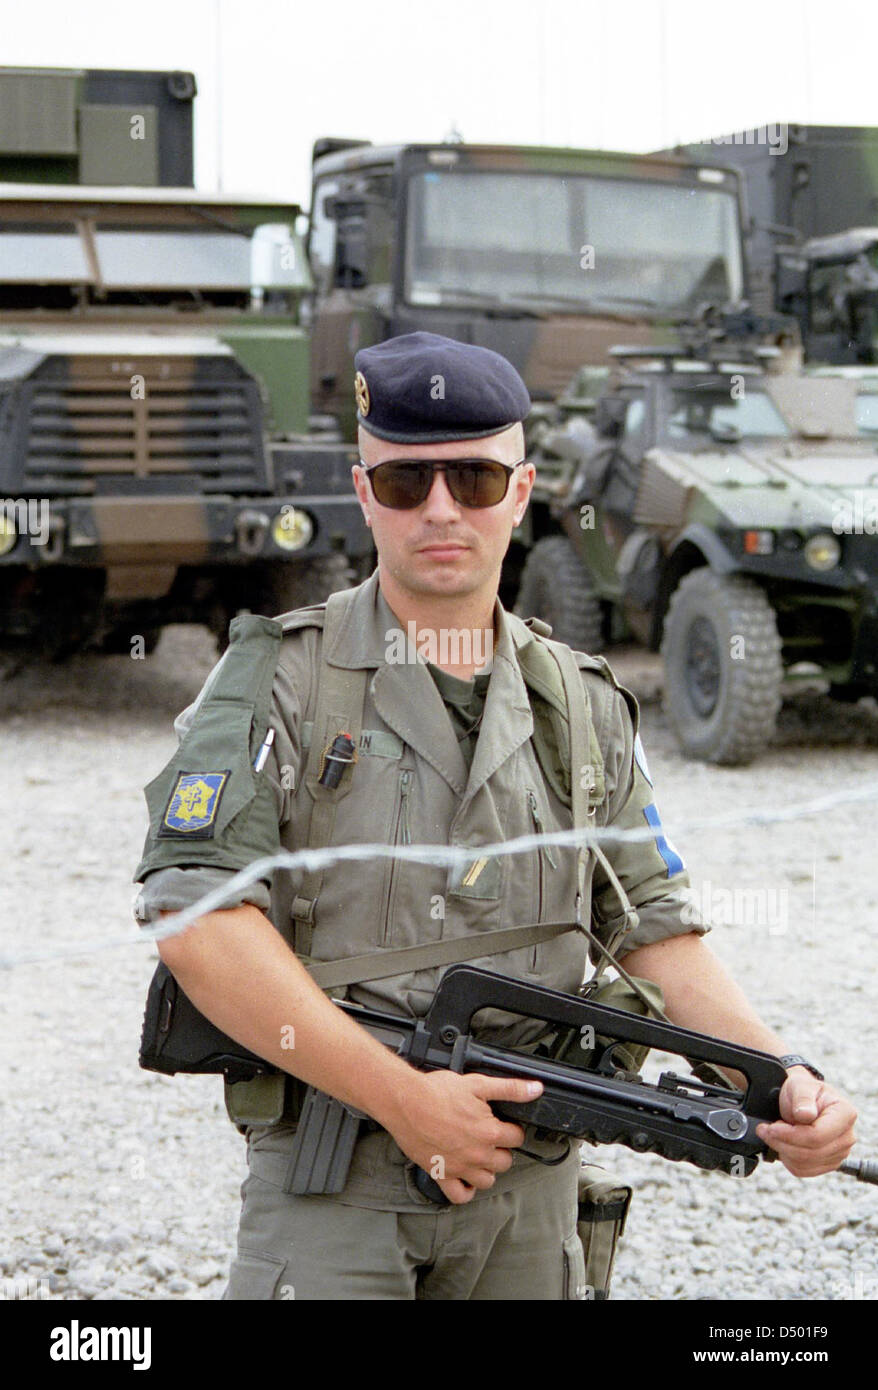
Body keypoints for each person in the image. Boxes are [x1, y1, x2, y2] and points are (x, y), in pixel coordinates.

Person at [134, 331, 857, 1301]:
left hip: (529, 1191)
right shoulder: (278, 677)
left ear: (520, 494)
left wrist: (776, 1077)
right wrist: (406, 1100)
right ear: (361, 492)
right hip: (338, 1182)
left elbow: (651, 920)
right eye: (405, 484)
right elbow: (199, 920)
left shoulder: (581, 701)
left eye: (474, 480)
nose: (441, 509)